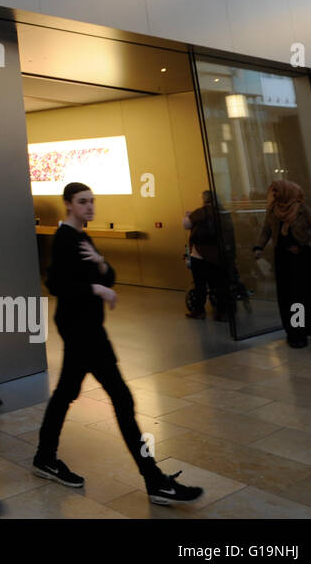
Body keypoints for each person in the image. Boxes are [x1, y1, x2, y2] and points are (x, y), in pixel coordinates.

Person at [33, 182, 205, 505]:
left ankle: (44, 457)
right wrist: (95, 288)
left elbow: (108, 276)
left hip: (87, 328)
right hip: (82, 330)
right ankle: (154, 480)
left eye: (92, 201)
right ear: (68, 204)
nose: (89, 206)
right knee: (121, 399)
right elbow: (56, 283)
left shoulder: (82, 237)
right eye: (82, 201)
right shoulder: (65, 238)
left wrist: (100, 264)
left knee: (66, 393)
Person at [252, 179, 311, 348]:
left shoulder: (301, 208)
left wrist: (305, 248)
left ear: (286, 191)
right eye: (273, 191)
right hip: (283, 258)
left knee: (306, 296)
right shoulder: (273, 210)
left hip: (301, 259)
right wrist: (258, 247)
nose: (274, 194)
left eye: (277, 191)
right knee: (290, 298)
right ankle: (297, 333)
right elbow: (266, 230)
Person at [183, 190, 229, 321]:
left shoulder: (200, 212)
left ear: (204, 199)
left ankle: (199, 311)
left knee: (200, 285)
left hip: (200, 254)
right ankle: (222, 312)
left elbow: (186, 225)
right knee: (219, 284)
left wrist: (187, 216)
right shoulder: (223, 212)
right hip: (217, 254)